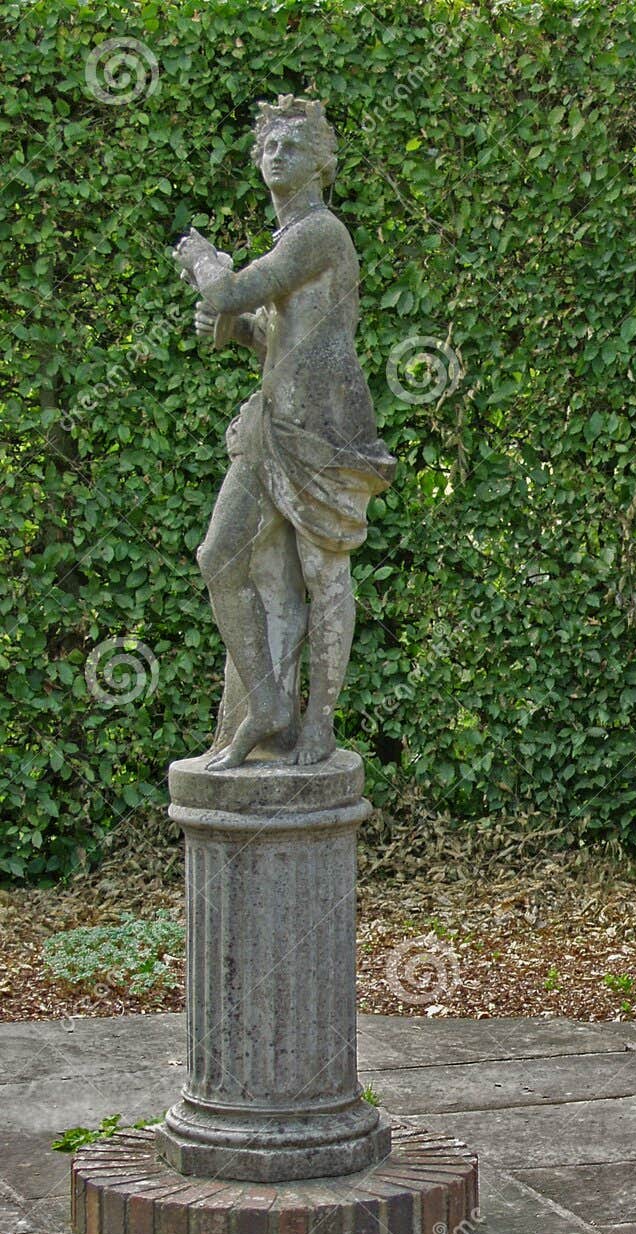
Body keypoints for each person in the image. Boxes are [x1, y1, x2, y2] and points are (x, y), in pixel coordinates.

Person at [174, 94, 394, 769]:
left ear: (323, 162)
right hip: (271, 426)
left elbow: (231, 290)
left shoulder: (319, 234)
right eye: (270, 144)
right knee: (220, 557)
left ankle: (319, 722)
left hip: (325, 431)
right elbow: (273, 336)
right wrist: (233, 327)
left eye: (294, 145)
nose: (278, 154)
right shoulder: (289, 242)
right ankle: (267, 704)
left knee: (321, 571)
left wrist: (205, 265)